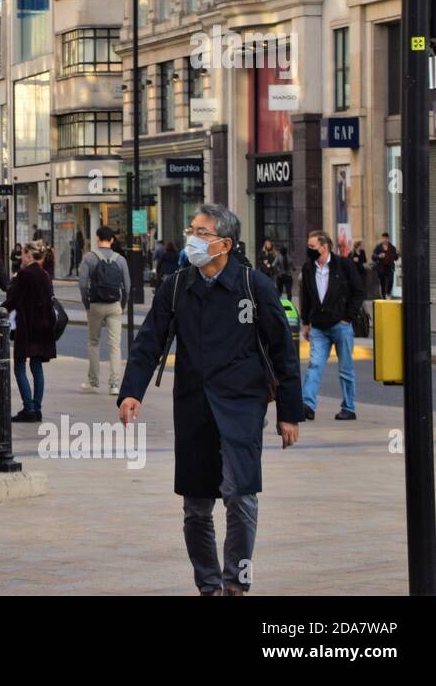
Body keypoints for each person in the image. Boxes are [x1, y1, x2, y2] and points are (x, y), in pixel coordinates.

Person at [118, 204, 303, 596]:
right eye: (192, 230)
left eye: (202, 233)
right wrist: (131, 391)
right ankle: (208, 584)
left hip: (242, 406)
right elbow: (149, 340)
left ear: (225, 244)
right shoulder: (177, 285)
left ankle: (236, 582)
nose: (193, 238)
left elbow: (283, 352)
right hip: (194, 407)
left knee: (240, 496)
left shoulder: (255, 286)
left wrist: (290, 413)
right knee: (196, 508)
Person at [299, 230, 364, 421]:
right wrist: (306, 322)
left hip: (340, 325)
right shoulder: (308, 267)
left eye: (312, 247)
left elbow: (359, 291)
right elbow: (306, 296)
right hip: (318, 326)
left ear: (324, 247)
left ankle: (349, 407)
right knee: (314, 365)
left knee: (345, 368)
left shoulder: (343, 265)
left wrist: (348, 317)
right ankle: (307, 405)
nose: (309, 250)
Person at [2, 240, 56, 422]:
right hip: (44, 326)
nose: (21, 258)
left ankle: (29, 408)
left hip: (27, 326)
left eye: (23, 254)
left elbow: (13, 299)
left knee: (19, 366)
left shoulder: (24, 274)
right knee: (36, 367)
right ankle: (37, 407)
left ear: (28, 254)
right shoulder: (45, 275)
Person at [79, 225, 129, 395]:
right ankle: (114, 384)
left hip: (96, 304)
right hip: (115, 304)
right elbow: (128, 287)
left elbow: (83, 285)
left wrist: (87, 305)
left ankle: (93, 382)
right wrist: (122, 305)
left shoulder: (89, 258)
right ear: (113, 240)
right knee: (115, 345)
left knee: (93, 342)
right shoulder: (121, 260)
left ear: (97, 238)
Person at [373, 233, 399, 299]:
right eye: (384, 238)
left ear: (388, 239)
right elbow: (373, 256)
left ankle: (388, 293)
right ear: (382, 239)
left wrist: (397, 254)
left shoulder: (392, 247)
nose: (385, 240)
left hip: (390, 267)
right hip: (381, 267)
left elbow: (395, 258)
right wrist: (379, 256)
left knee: (391, 280)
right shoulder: (378, 247)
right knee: (382, 283)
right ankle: (384, 298)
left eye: (386, 238)